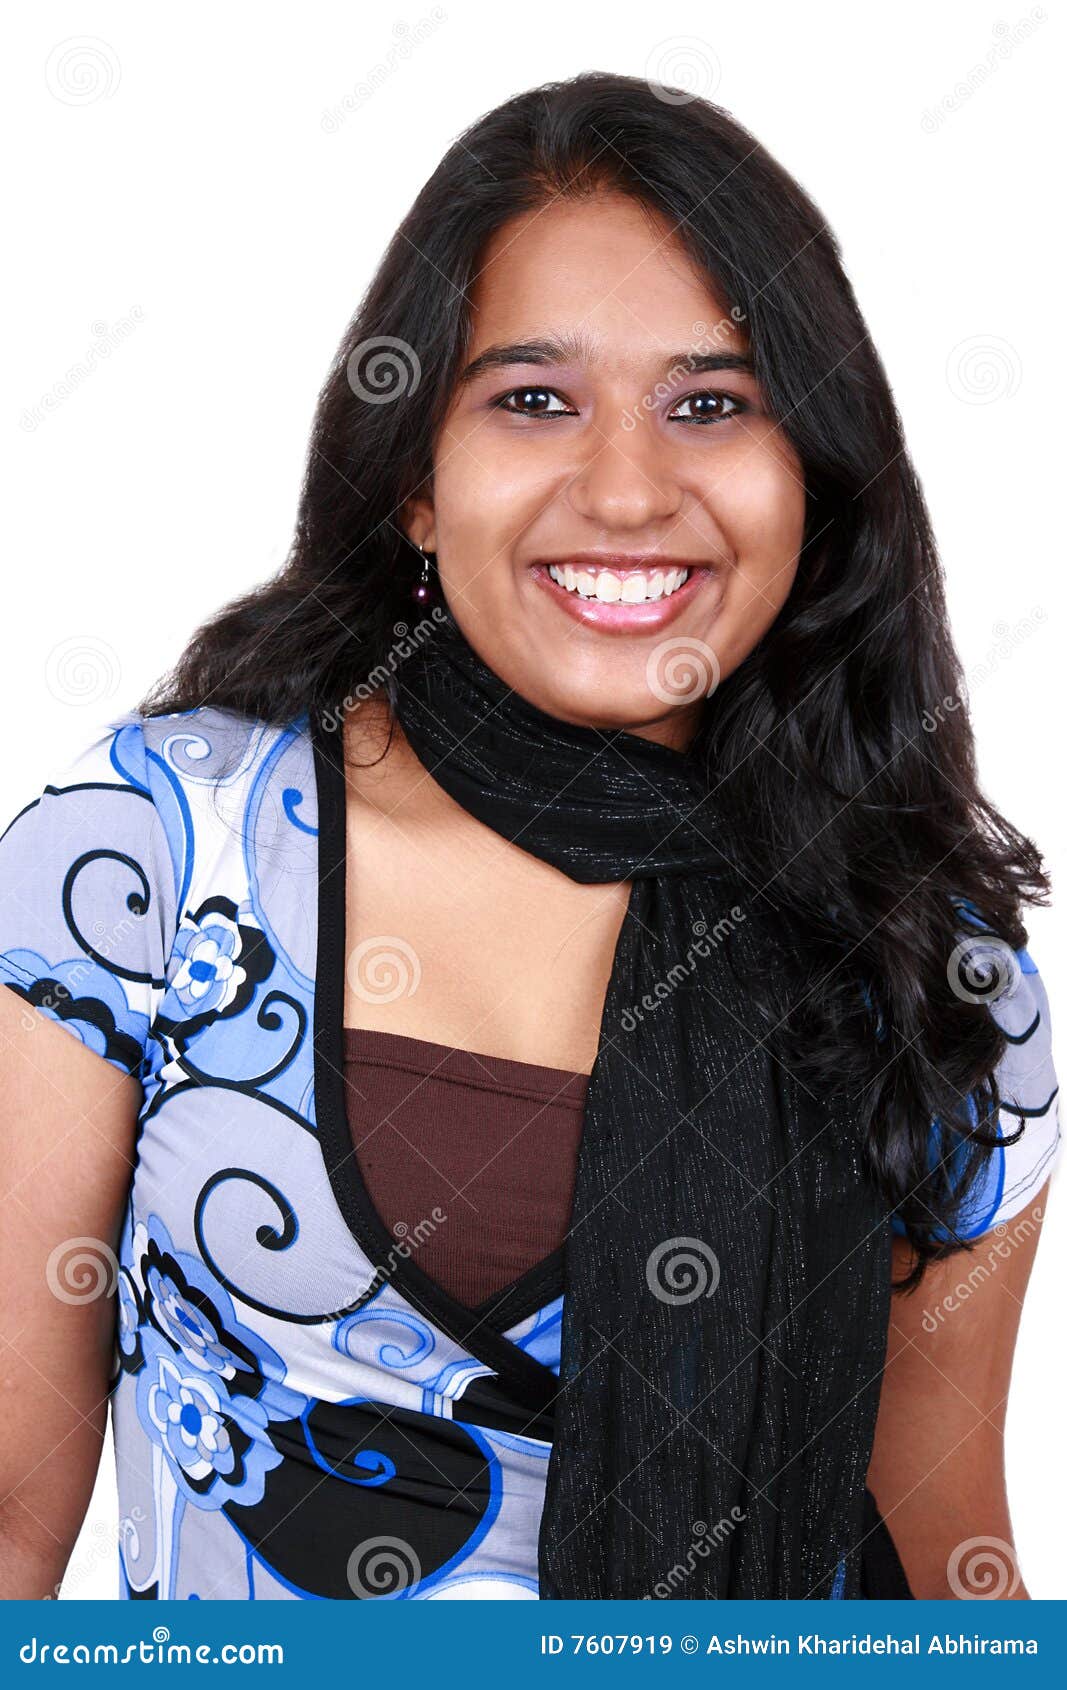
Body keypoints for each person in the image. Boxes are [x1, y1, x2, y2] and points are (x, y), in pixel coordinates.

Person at [0, 71, 1059, 1603]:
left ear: (812, 479)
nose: (627, 490)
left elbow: (950, 1576)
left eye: (711, 403)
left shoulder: (935, 977)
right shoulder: (154, 862)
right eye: (533, 398)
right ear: (416, 483)